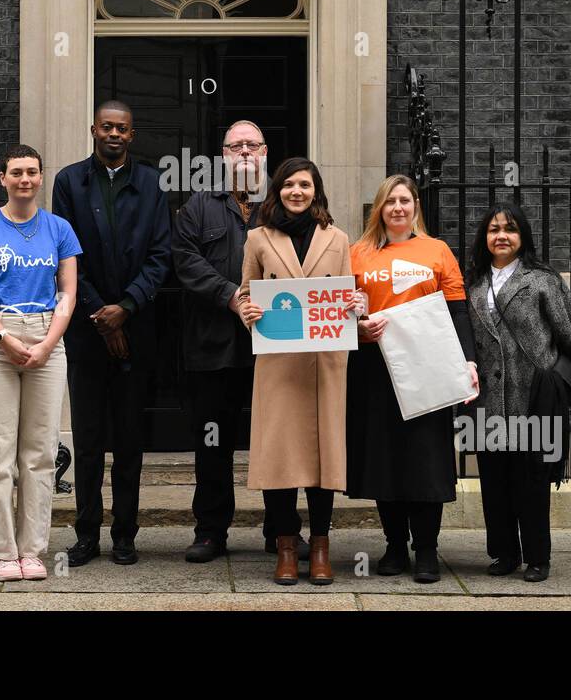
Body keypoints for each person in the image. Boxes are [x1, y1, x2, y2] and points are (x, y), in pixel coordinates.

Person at [171, 120, 307, 563]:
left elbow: (313, 260)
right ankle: (211, 531)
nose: (245, 152)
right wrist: (231, 296)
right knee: (212, 443)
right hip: (213, 349)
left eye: (252, 145)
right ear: (223, 155)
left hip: (275, 346)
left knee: (279, 439)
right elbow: (186, 262)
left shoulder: (286, 204)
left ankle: (282, 531)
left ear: (265, 152)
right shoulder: (197, 207)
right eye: (236, 146)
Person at [52, 100, 171, 567]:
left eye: (122, 128)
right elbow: (66, 257)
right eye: (107, 127)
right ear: (94, 130)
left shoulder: (150, 183)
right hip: (85, 332)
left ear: (132, 134)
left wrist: (126, 308)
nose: (114, 134)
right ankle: (86, 535)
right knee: (87, 440)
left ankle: (125, 535)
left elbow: (161, 255)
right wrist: (101, 314)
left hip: (136, 330)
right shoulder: (68, 182)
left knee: (128, 441)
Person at [347, 175, 479, 583]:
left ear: (416, 206)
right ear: (379, 209)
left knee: (425, 458)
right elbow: (341, 312)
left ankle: (426, 549)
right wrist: (356, 321)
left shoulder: (437, 250)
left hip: (428, 365)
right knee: (385, 458)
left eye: (405, 201)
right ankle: (393, 546)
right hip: (374, 367)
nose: (398, 208)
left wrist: (468, 361)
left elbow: (458, 310)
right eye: (390, 202)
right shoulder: (357, 253)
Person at [0, 143, 80, 582]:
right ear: (2, 178)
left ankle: (33, 550)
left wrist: (49, 342)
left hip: (47, 337)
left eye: (31, 172)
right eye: (16, 173)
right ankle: (0, 551)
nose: (24, 179)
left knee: (40, 453)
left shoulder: (59, 228)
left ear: (42, 176)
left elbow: (68, 291)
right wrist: (2, 337)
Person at [237, 157, 353, 585]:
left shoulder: (338, 239)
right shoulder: (258, 239)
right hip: (279, 366)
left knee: (323, 460)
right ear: (278, 190)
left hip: (324, 365)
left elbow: (347, 293)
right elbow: (246, 292)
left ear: (316, 190)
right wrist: (246, 309)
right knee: (280, 459)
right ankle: (287, 546)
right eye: (289, 185)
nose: (296, 192)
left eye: (304, 185)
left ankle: (320, 548)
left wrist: (354, 305)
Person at [465, 202, 571, 583]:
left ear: (523, 237)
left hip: (533, 398)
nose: (501, 236)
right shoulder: (474, 283)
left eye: (510, 229)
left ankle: (537, 557)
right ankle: (504, 553)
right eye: (494, 229)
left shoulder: (543, 280)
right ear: (484, 238)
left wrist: (557, 379)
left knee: (532, 481)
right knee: (495, 479)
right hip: (489, 400)